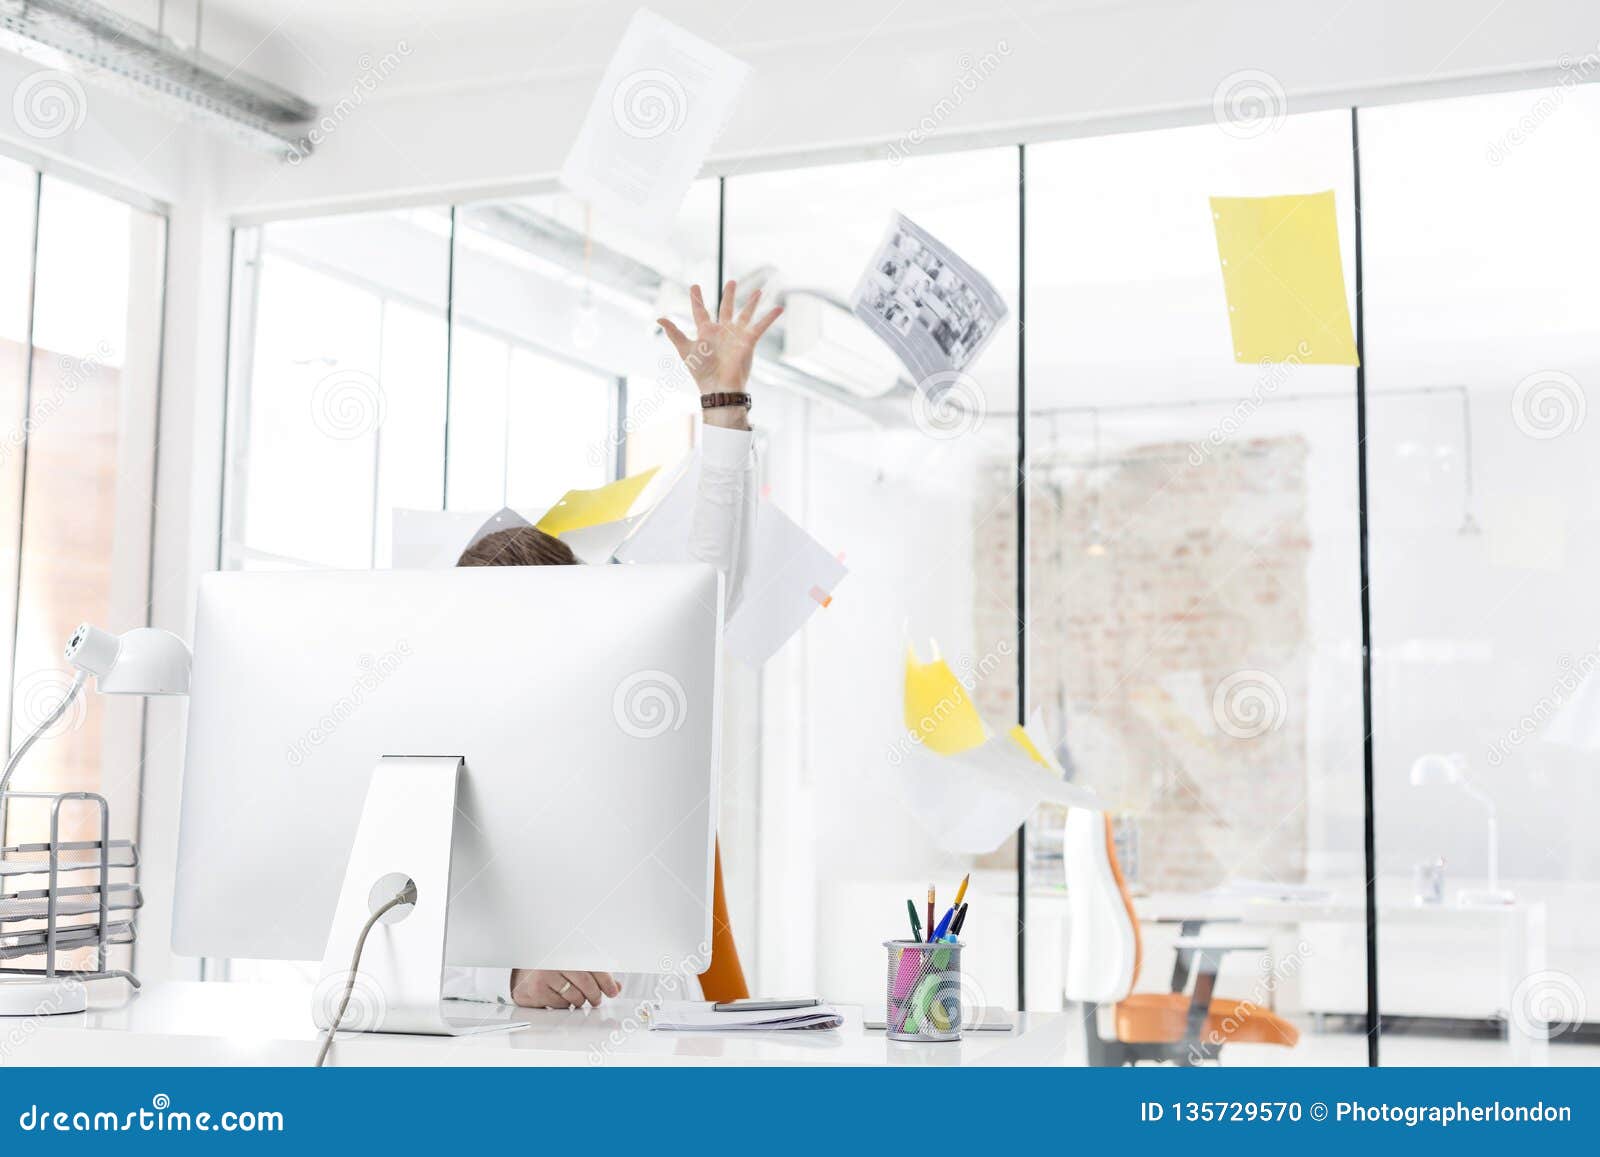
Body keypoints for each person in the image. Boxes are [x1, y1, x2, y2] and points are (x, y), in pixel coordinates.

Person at [443, 281, 782, 1011]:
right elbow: (388, 942)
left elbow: (707, 580)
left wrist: (723, 405)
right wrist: (508, 978)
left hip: (652, 1036)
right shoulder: (439, 751)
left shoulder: (635, 707)